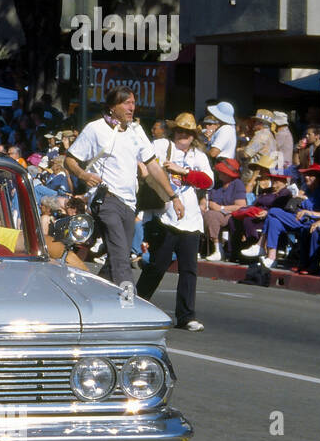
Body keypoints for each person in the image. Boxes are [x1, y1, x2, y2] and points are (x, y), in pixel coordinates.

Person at [64, 87, 174, 289]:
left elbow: (153, 165)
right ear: (112, 107)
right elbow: (70, 160)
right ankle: (129, 298)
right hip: (106, 199)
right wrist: (83, 175)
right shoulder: (95, 129)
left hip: (129, 202)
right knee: (120, 254)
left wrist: (173, 196)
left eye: (133, 103)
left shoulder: (136, 130)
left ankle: (96, 293)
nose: (131, 107)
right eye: (126, 103)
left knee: (120, 254)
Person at [135, 113, 213, 331]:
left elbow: (208, 181)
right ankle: (137, 304)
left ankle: (186, 316)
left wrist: (184, 172)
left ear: (193, 136)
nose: (183, 136)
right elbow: (143, 158)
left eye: (188, 133)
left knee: (189, 269)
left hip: (191, 219)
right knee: (158, 265)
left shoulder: (198, 156)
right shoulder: (161, 145)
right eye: (179, 130)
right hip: (164, 216)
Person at [202, 158, 247, 261]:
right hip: (214, 213)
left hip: (231, 214)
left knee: (212, 215)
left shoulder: (237, 184)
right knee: (207, 214)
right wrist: (204, 204)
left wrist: (220, 208)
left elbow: (241, 206)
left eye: (221, 171)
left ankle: (218, 250)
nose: (219, 173)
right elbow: (206, 198)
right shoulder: (217, 184)